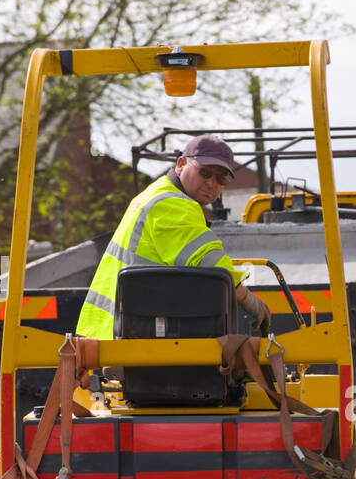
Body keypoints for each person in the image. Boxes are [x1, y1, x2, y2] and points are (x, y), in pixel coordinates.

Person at [76, 134, 271, 340]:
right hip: (129, 336)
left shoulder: (160, 192)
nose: (211, 183)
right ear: (181, 164)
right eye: (204, 172)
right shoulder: (170, 203)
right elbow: (210, 262)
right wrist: (249, 301)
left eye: (220, 178)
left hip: (116, 331)